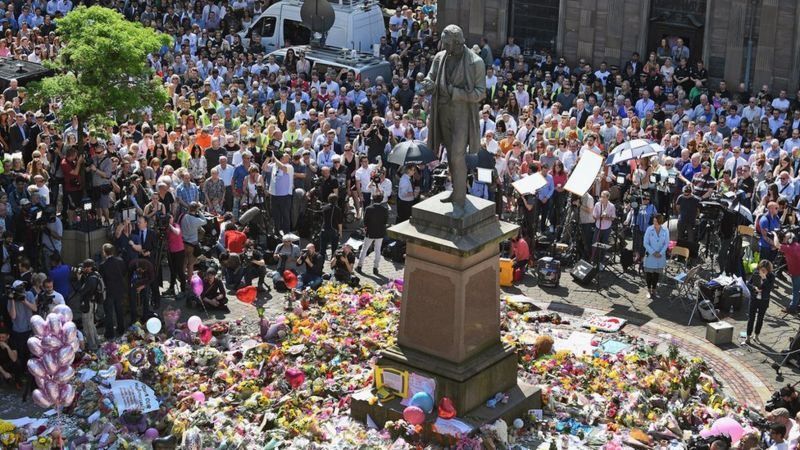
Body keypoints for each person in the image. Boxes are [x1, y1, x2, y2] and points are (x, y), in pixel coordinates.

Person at [421, 24, 486, 211]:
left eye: (447, 43)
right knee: (450, 154)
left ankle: (459, 197)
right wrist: (427, 84)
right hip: (442, 113)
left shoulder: (476, 62)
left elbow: (480, 93)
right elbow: (430, 77)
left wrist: (455, 92)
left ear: (458, 43)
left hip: (462, 116)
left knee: (457, 155)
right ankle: (456, 191)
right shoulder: (440, 57)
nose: (444, 46)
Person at [73, 259, 102, 350]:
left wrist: (78, 279)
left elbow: (81, 291)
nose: (83, 269)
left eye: (85, 267)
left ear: (89, 267)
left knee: (87, 326)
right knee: (91, 324)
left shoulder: (91, 279)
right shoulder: (95, 274)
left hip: (88, 304)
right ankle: (96, 342)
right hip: (92, 303)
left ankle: (92, 347)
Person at [357, 192, 389, 276]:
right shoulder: (385, 209)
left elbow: (365, 221)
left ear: (373, 199)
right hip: (380, 232)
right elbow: (385, 221)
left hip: (370, 232)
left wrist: (366, 228)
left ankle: (359, 266)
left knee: (364, 249)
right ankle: (375, 268)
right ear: (381, 200)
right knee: (378, 250)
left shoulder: (368, 208)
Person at [99, 244, 126, 339]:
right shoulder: (120, 261)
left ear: (105, 252)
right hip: (119, 290)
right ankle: (121, 329)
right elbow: (123, 273)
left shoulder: (102, 265)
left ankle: (110, 333)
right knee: (119, 310)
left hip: (109, 291)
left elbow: (101, 280)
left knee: (109, 313)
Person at [746, 259, 775, 343]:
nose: (761, 272)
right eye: (760, 270)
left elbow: (769, 288)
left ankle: (756, 335)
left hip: (764, 301)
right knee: (751, 318)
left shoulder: (771, 276)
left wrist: (765, 279)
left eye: (764, 271)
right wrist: (754, 288)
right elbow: (748, 284)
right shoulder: (756, 272)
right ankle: (748, 336)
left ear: (768, 270)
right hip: (754, 299)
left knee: (760, 319)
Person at [642, 214, 669, 299]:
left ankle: (654, 289)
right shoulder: (649, 229)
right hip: (650, 255)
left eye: (656, 221)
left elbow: (666, 243)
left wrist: (660, 253)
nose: (655, 223)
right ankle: (649, 289)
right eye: (654, 221)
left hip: (660, 255)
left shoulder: (665, 230)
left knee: (657, 273)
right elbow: (645, 243)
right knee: (649, 273)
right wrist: (653, 252)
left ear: (660, 222)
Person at [591, 190, 616, 267]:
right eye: (601, 196)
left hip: (607, 227)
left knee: (603, 245)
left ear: (608, 198)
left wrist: (607, 217)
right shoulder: (597, 204)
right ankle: (594, 261)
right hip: (598, 226)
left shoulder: (612, 206)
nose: (601, 198)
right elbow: (594, 216)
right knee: (595, 244)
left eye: (603, 197)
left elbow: (613, 218)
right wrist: (600, 217)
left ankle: (601, 262)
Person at [780, 232, 800, 313]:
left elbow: (777, 244)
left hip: (796, 273)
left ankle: (792, 308)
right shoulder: (797, 245)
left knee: (795, 290)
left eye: (785, 238)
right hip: (797, 271)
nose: (784, 239)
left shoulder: (789, 248)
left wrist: (774, 235)